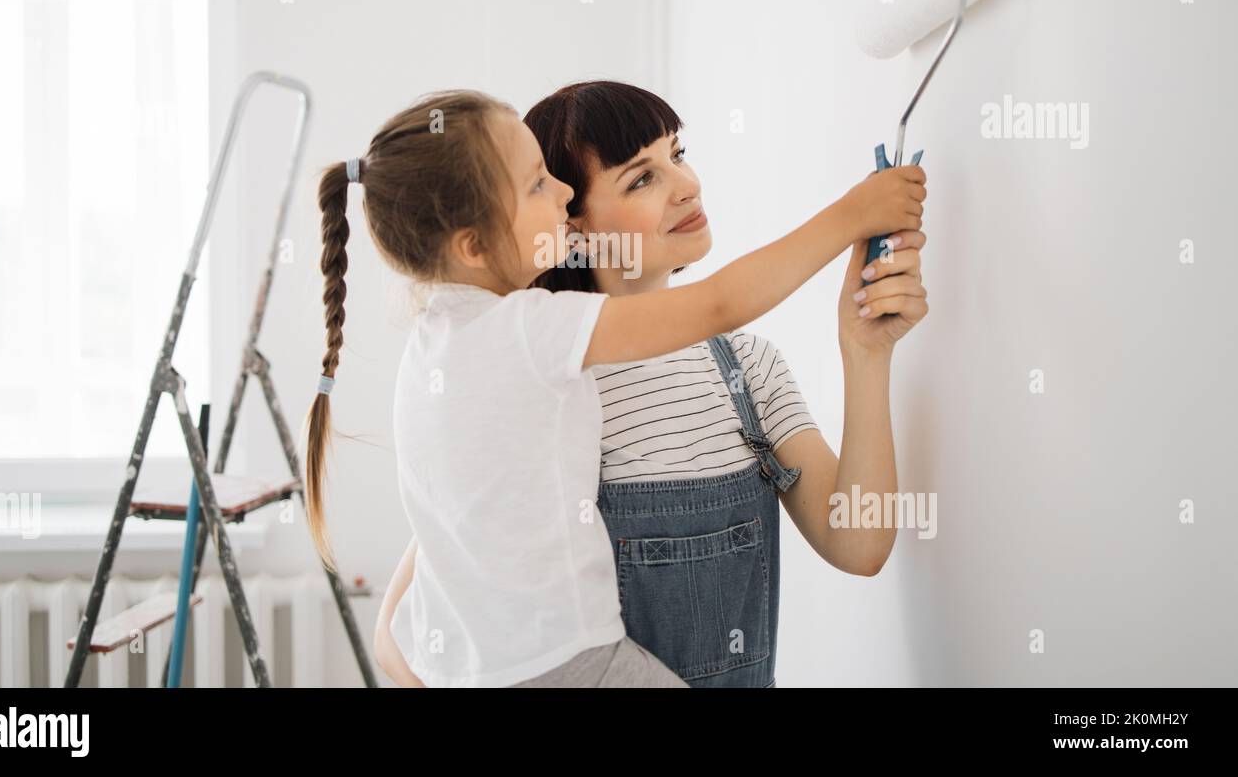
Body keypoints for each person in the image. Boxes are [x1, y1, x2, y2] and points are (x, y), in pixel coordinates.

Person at [315, 88, 924, 686]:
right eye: (642, 179)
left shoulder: (745, 368)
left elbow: (860, 544)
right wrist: (852, 214)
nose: (686, 186)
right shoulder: (537, 390)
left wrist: (865, 353)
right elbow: (397, 635)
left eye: (677, 154)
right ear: (573, 221)